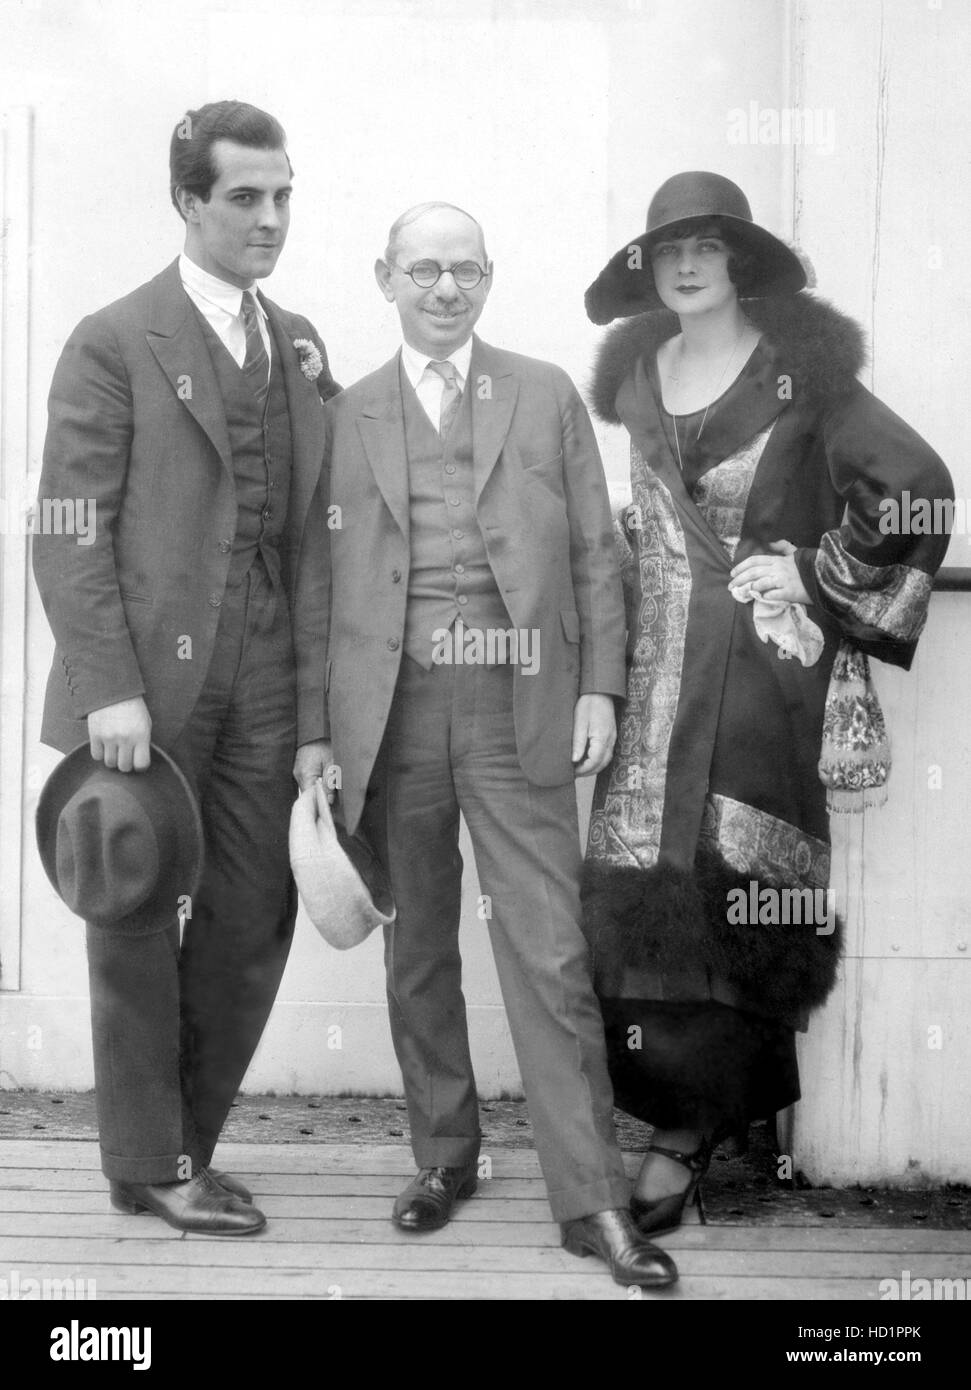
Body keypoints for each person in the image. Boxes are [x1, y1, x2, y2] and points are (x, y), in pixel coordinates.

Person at [299, 201, 677, 1288]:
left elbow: (597, 555)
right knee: (414, 948)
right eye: (423, 270)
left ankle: (591, 1200)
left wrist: (600, 687)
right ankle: (443, 1158)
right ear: (385, 278)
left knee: (550, 950)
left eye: (464, 270)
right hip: (392, 712)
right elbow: (318, 586)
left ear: (489, 279)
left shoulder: (543, 391)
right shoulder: (348, 414)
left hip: (522, 705)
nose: (445, 289)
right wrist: (317, 734)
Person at [581, 171, 953, 1234]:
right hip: (653, 670)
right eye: (667, 249)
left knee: (736, 883)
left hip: (757, 673)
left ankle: (686, 1136)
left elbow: (914, 483)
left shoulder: (800, 376)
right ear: (647, 267)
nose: (687, 263)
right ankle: (666, 1112)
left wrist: (815, 570)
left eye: (707, 244)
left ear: (737, 258)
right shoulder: (638, 378)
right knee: (642, 884)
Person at [33, 100, 339, 1235]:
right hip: (147, 688)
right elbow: (67, 522)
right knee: (132, 914)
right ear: (189, 203)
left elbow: (322, 531)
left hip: (268, 675)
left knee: (257, 909)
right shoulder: (116, 338)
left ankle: (177, 1144)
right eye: (246, 198)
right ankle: (151, 1159)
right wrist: (108, 681)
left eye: (283, 195)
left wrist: (316, 712)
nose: (271, 218)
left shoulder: (298, 339)